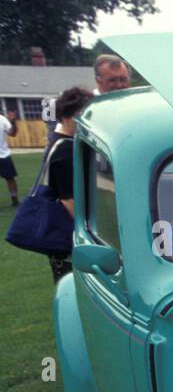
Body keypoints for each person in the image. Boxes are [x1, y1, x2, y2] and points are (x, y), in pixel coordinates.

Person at [44, 87, 95, 282]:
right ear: (66, 116)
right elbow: (68, 200)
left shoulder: (61, 142)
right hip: (66, 238)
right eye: (80, 116)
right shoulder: (65, 149)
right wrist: (88, 232)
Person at [1, 109, 18, 206]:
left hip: (3, 155)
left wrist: (13, 121)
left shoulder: (2, 119)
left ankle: (14, 200)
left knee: (10, 178)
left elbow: (13, 133)